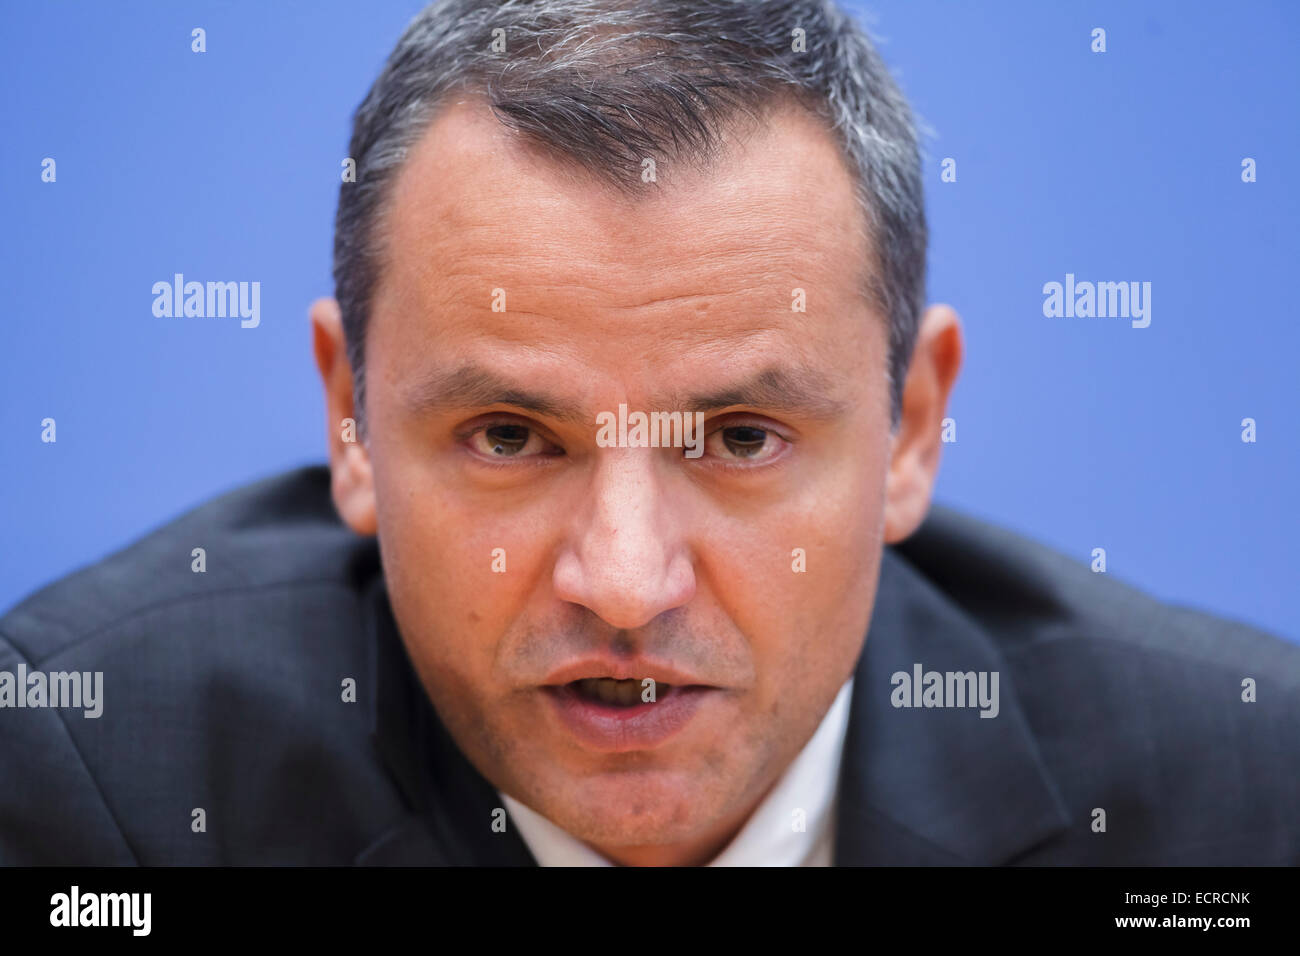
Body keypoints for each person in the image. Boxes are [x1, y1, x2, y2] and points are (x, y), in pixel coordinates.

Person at [2, 0, 1296, 866]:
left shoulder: (1237, 793)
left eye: (739, 438)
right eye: (511, 437)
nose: (624, 584)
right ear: (350, 422)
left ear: (910, 427)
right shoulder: (98, 776)